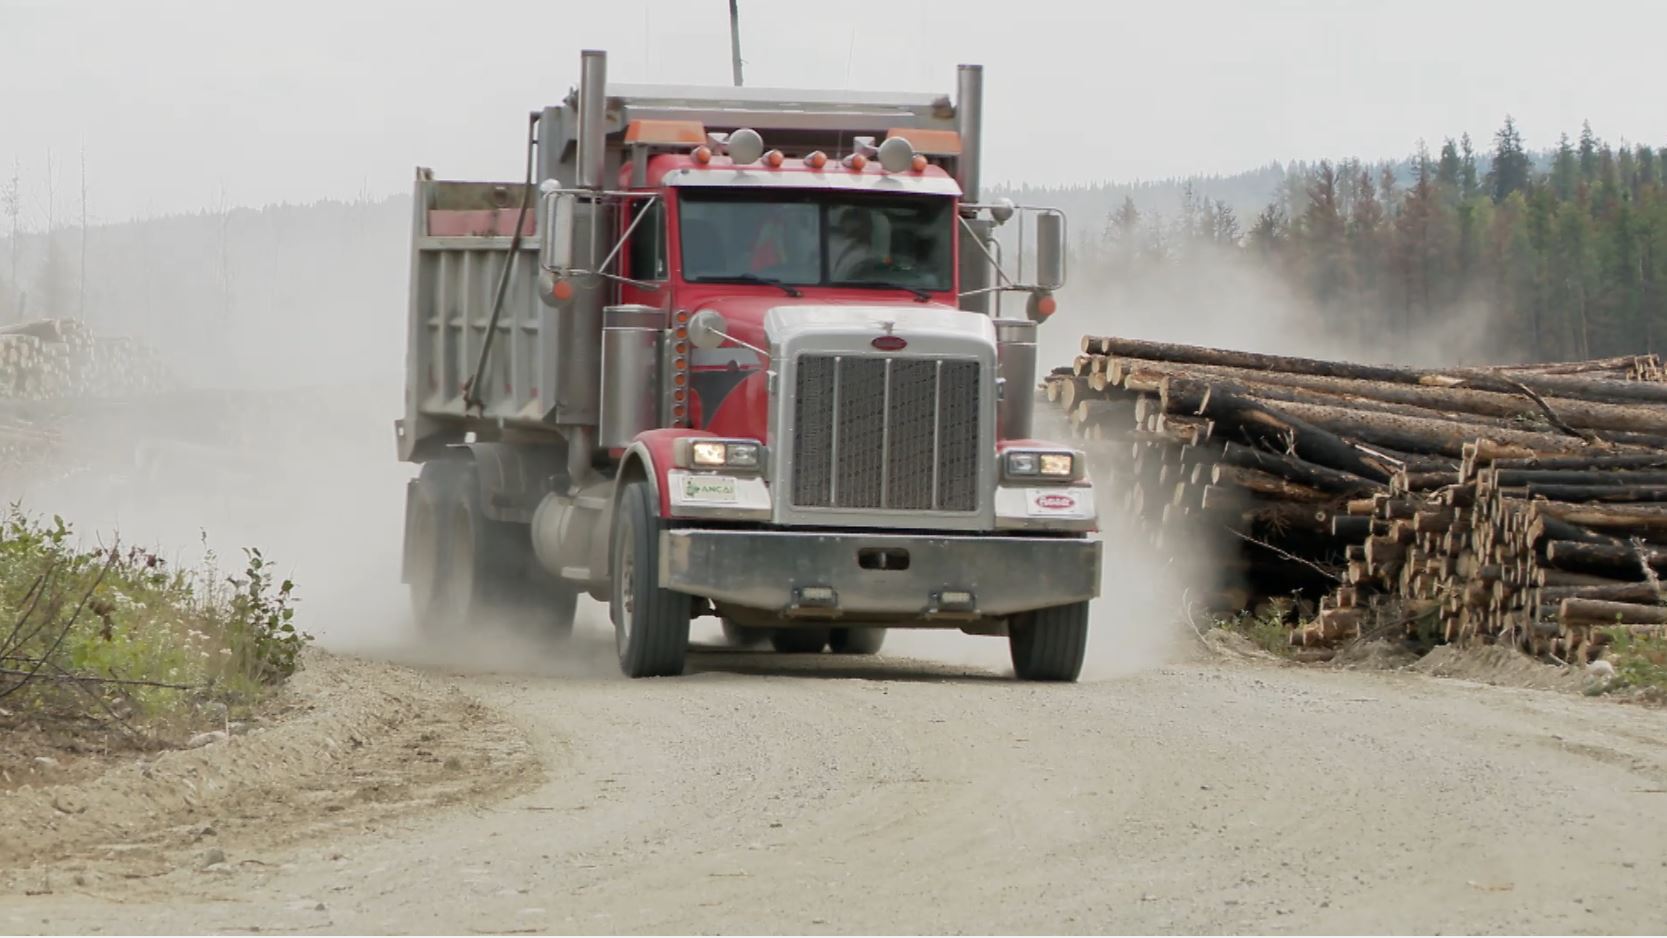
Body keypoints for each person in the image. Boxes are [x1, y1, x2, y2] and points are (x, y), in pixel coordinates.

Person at [828, 207, 876, 280]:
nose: (843, 224)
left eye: (846, 221)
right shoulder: (836, 241)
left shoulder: (862, 252)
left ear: (858, 223)